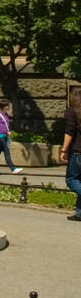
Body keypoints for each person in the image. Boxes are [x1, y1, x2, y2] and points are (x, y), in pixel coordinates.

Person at [60, 88, 81, 222]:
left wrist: (63, 150)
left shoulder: (72, 112)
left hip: (77, 152)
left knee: (71, 180)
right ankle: (79, 213)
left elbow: (69, 131)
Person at [0, 100, 21, 174]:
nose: (9, 107)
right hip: (0, 136)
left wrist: (8, 131)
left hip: (5, 136)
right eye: (7, 106)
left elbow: (5, 125)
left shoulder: (6, 114)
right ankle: (13, 168)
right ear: (3, 106)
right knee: (6, 152)